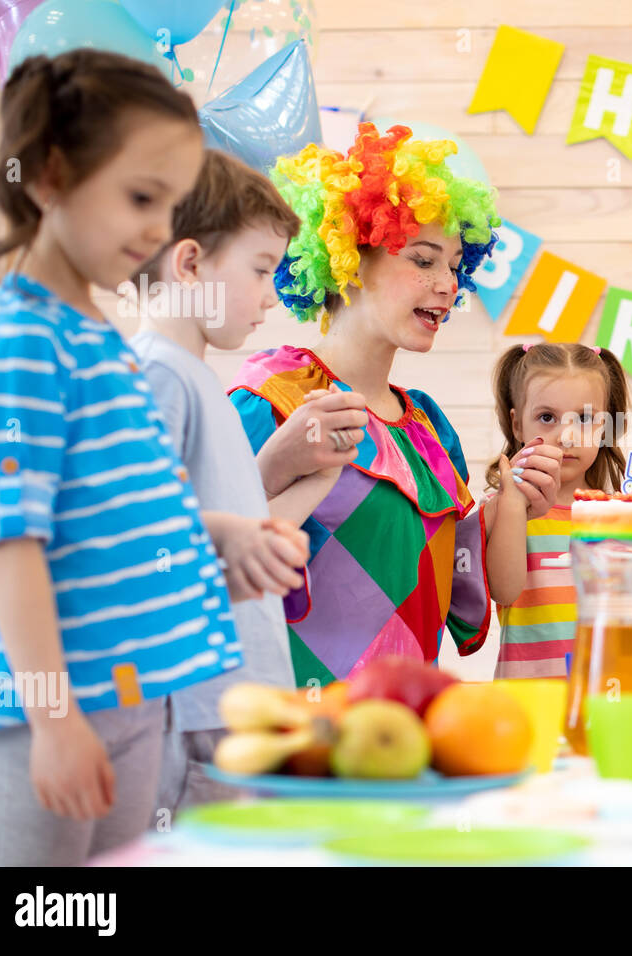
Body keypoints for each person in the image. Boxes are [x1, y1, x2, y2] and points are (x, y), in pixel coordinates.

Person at [0, 51, 305, 865]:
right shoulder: (22, 341)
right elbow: (9, 545)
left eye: (171, 201)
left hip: (135, 695)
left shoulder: (101, 343)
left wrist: (222, 535)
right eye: (141, 198)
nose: (159, 230)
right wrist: (52, 721)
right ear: (50, 176)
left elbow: (123, 516)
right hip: (54, 703)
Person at [229, 123, 562, 684]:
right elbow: (205, 567)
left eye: (455, 265)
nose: (448, 284)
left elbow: (456, 586)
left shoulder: (429, 427)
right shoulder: (274, 400)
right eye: (424, 259)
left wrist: (512, 506)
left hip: (402, 732)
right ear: (349, 260)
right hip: (294, 731)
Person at [130, 150, 361, 811]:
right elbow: (143, 538)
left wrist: (321, 472)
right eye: (260, 270)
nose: (269, 296)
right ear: (191, 263)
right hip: (195, 705)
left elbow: (239, 532)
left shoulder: (199, 379)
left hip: (236, 700)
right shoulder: (159, 377)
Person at [485, 343, 632, 678]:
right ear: (517, 424)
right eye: (547, 418)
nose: (566, 437)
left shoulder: (620, 513)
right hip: (527, 700)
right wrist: (512, 503)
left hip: (605, 696)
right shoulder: (506, 508)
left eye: (584, 419)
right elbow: (503, 591)